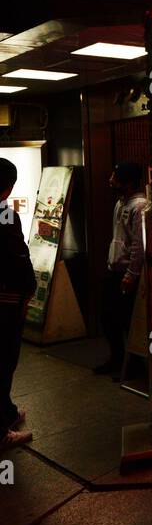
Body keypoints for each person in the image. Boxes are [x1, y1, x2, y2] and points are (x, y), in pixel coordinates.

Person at [95, 161, 146, 378]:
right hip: (114, 269)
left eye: (115, 177)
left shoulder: (140, 206)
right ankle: (117, 359)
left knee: (127, 321)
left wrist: (131, 275)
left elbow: (139, 245)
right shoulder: (120, 203)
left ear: (128, 182)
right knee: (108, 318)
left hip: (126, 273)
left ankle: (133, 366)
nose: (110, 181)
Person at [0, 159, 37, 449]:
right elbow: (17, 259)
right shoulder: (5, 216)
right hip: (6, 300)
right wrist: (28, 291)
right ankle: (1, 432)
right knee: (4, 360)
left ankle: (7, 413)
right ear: (8, 187)